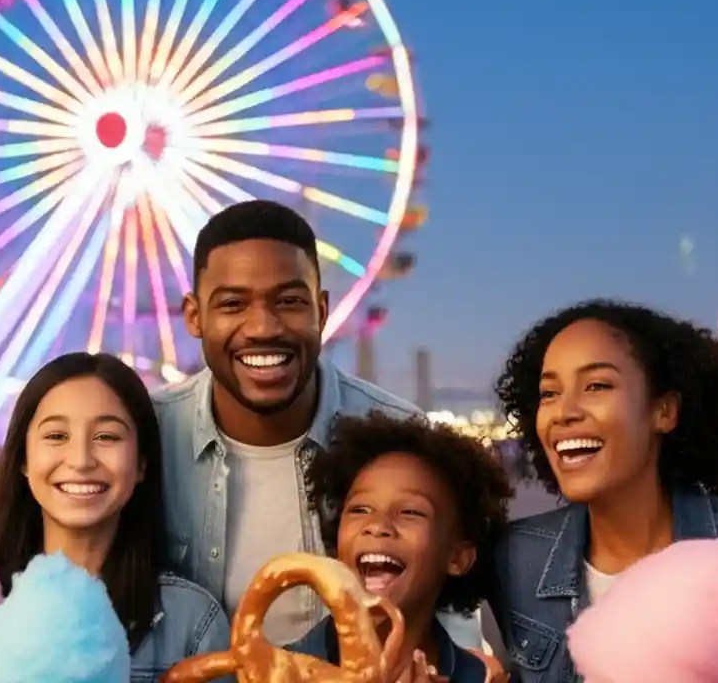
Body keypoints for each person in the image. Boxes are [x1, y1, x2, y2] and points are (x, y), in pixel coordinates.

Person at [154, 200, 482, 649]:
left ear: (322, 310)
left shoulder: (400, 439)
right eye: (232, 304)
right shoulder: (143, 437)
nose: (263, 327)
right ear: (193, 316)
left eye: (289, 302)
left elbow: (448, 624)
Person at [490, 300, 718, 682]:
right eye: (549, 393)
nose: (563, 412)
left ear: (664, 411)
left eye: (596, 385)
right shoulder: (516, 558)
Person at [0, 352, 229, 677]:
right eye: (56, 436)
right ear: (23, 459)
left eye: (106, 437)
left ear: (141, 464)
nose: (81, 460)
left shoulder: (190, 623)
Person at [291, 412, 510, 682]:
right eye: (360, 509)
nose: (377, 525)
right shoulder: (267, 673)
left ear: (458, 557)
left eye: (410, 512)